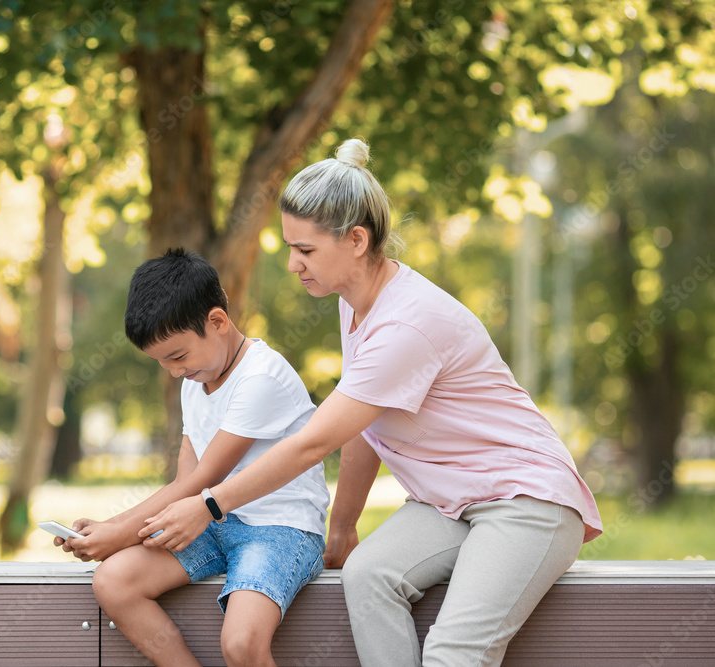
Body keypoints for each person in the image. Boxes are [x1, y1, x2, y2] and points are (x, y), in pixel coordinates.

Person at [141, 140, 603, 667]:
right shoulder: (357, 304)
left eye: (306, 250)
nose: (293, 264)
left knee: (454, 651)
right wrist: (341, 528)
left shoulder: (404, 325)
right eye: (290, 247)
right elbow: (363, 426)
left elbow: (314, 442)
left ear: (356, 240)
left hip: (527, 501)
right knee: (368, 576)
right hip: (450, 500)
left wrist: (209, 504)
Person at [53, 249, 331, 667]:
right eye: (162, 361)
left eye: (178, 356)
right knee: (113, 581)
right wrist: (107, 529)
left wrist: (118, 533)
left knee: (240, 644)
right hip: (210, 522)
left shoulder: (261, 378)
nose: (173, 371)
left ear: (217, 322)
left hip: (279, 530)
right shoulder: (196, 379)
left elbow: (203, 478)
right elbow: (183, 485)